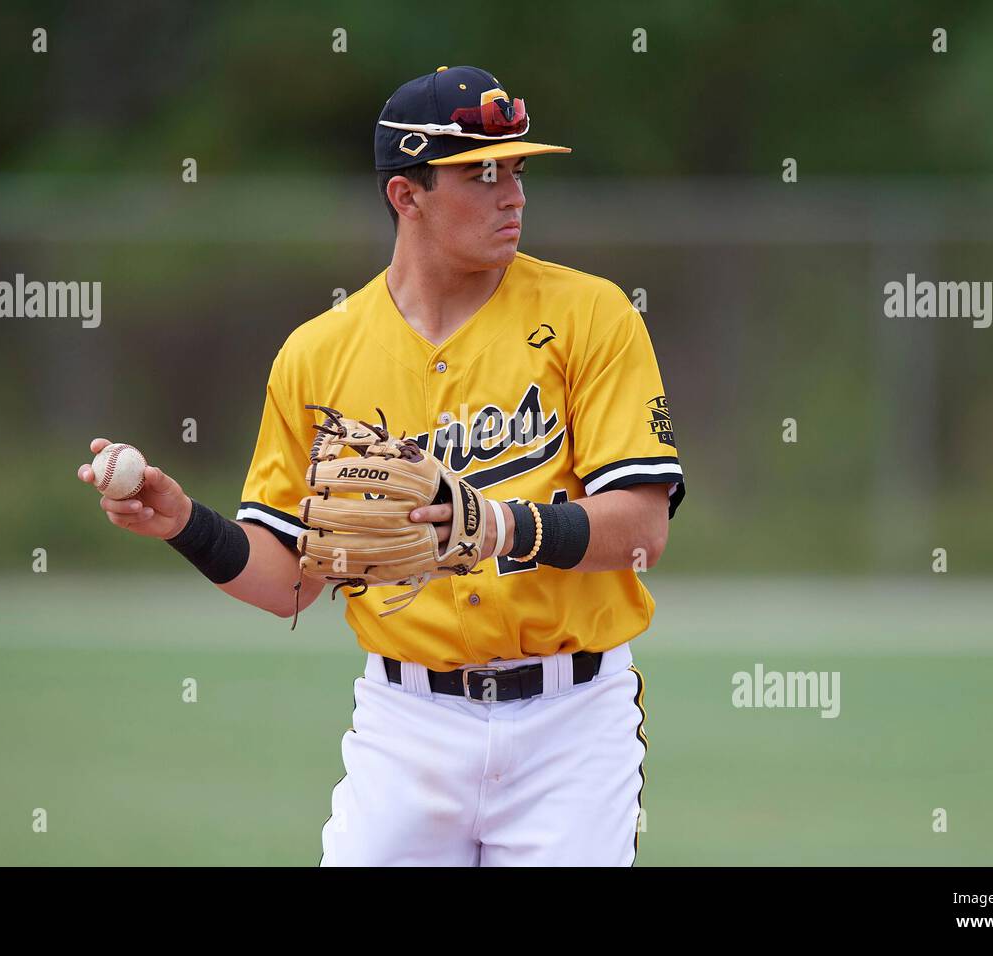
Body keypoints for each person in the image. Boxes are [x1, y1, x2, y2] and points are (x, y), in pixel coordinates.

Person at [77, 66, 685, 866]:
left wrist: (498, 524)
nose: (515, 195)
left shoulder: (590, 315)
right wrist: (184, 523)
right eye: (482, 172)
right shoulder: (317, 354)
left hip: (569, 727)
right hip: (408, 728)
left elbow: (641, 528)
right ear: (408, 196)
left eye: (518, 168)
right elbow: (292, 581)